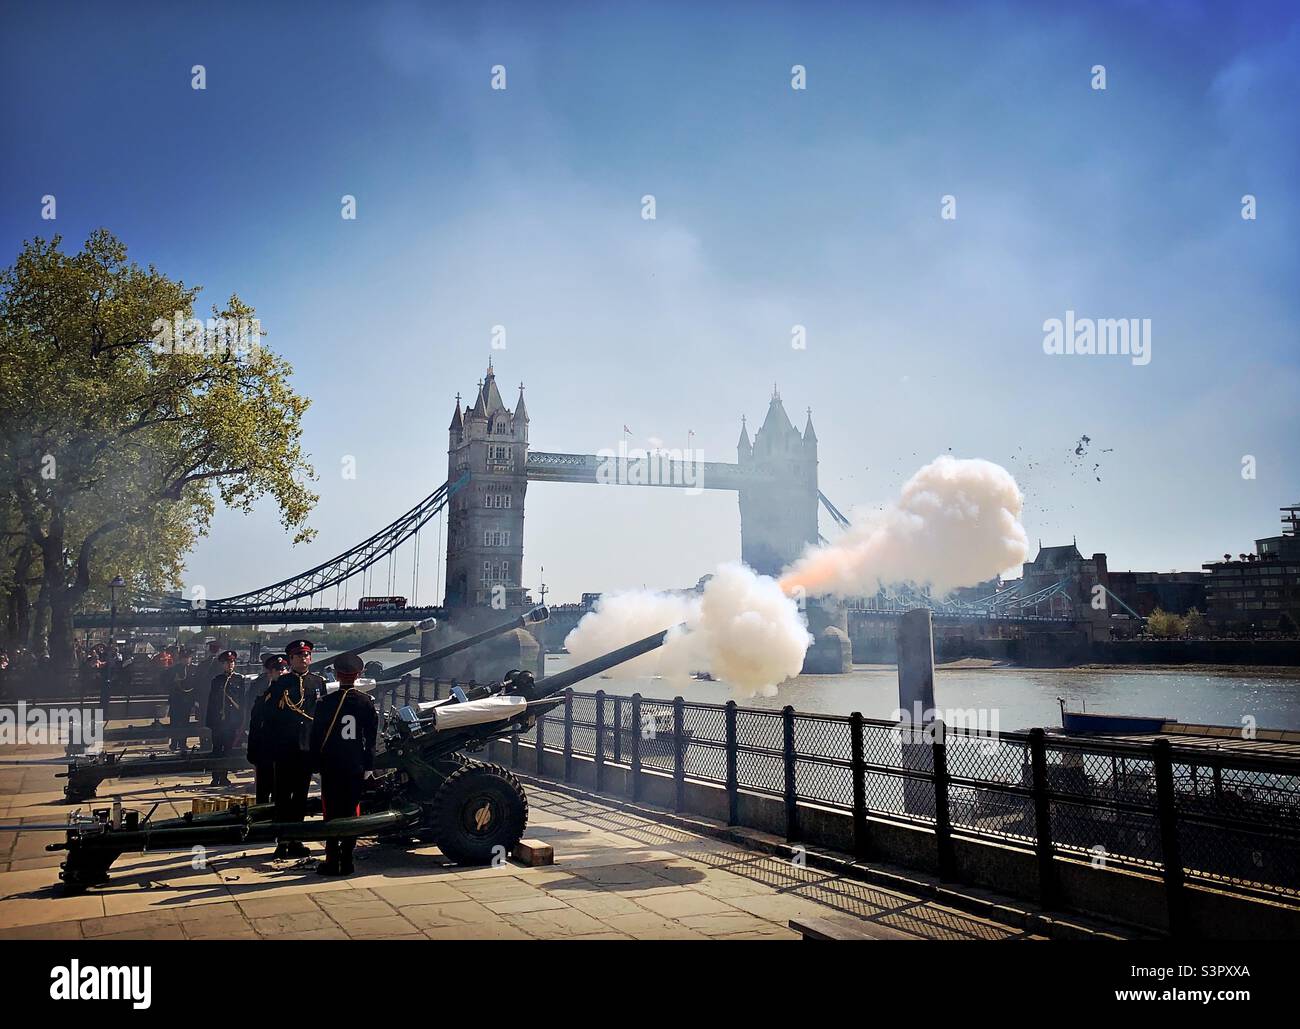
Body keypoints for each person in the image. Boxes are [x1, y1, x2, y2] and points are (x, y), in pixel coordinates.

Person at [309, 653, 377, 876]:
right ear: (358, 676)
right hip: (355, 764)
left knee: (331, 811)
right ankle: (347, 859)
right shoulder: (366, 702)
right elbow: (371, 739)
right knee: (351, 811)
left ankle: (332, 859)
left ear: (337, 676)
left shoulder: (325, 703)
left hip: (331, 765)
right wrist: (369, 766)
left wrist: (315, 764)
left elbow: (316, 737)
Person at [265, 639, 324, 859]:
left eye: (306, 655)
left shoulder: (317, 682)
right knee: (282, 797)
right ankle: (282, 841)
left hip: (306, 747)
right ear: (291, 659)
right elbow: (270, 717)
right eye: (299, 656)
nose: (303, 659)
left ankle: (296, 838)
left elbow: (319, 717)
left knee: (300, 796)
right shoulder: (281, 683)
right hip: (285, 748)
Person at [245, 654, 286, 804]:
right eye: (277, 670)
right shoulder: (265, 695)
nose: (281, 672)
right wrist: (253, 751)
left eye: (283, 669)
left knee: (281, 794)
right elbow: (256, 724)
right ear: (270, 673)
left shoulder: (294, 693)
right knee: (263, 792)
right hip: (267, 748)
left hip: (286, 750)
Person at [205, 650, 244, 787]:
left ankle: (224, 777)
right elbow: (211, 702)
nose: (230, 665)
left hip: (231, 721)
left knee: (228, 750)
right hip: (218, 721)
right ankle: (215, 777)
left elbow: (242, 701)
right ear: (222, 665)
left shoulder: (239, 680)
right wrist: (210, 722)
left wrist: (240, 721)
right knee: (217, 749)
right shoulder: (217, 680)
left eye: (232, 662)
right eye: (227, 663)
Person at [162, 647, 197, 751]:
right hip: (176, 699)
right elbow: (166, 682)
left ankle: (183, 743)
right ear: (181, 659)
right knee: (175, 722)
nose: (186, 660)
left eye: (188, 658)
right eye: (184, 658)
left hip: (187, 700)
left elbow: (196, 684)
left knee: (185, 722)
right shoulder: (174, 669)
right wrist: (173, 683)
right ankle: (174, 743)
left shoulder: (194, 669)